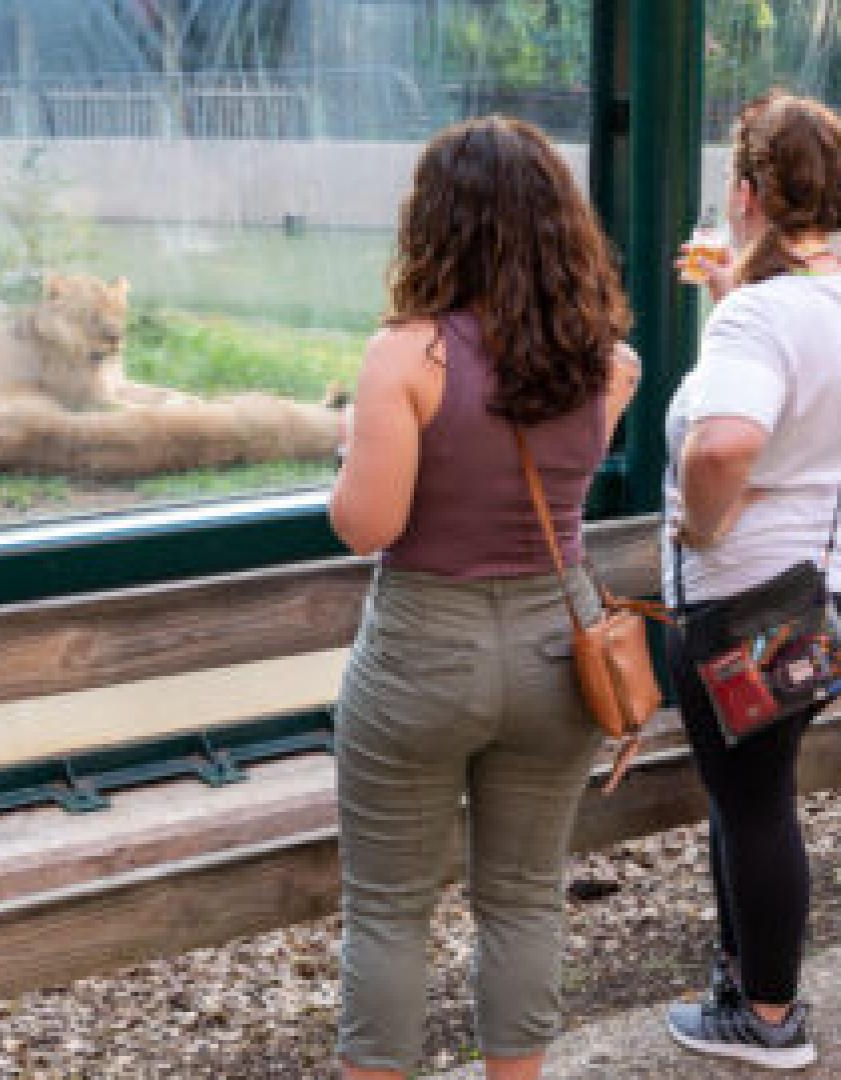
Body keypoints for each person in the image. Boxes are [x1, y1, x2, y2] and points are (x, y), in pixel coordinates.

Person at [326, 115, 641, 1080]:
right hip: (557, 646)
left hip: (424, 650)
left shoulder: (405, 357)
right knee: (524, 898)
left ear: (435, 222)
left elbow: (367, 525)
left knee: (389, 908)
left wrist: (351, 450)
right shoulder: (608, 362)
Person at [661, 92, 841, 1069]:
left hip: (757, 601)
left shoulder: (762, 315)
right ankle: (741, 984)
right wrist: (735, 301)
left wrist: (698, 522)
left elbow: (724, 444)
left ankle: (767, 1017)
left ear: (749, 194)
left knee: (755, 802)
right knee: (750, 794)